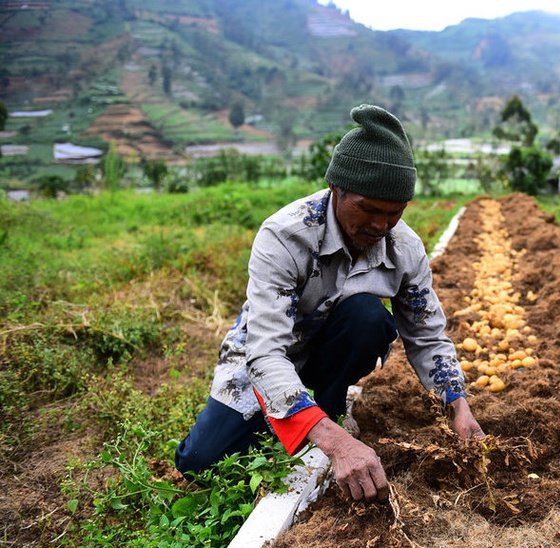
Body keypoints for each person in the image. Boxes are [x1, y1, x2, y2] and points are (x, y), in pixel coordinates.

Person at [175, 104, 486, 502]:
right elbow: (266, 352)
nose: (379, 226)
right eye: (369, 209)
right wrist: (337, 445)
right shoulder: (285, 237)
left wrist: (457, 405)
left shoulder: (404, 247)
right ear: (337, 190)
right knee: (202, 464)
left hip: (331, 353)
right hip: (266, 356)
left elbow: (427, 335)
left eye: (393, 214)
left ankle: (329, 406)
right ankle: (312, 423)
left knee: (368, 318)